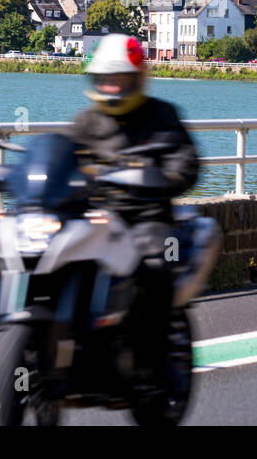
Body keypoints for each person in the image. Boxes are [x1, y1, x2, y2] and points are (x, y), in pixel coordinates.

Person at [65, 33, 199, 382]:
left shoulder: (162, 116)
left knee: (154, 265)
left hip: (146, 216)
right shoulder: (86, 122)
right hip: (94, 217)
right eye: (104, 78)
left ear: (136, 78)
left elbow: (186, 163)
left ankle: (152, 363)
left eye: (118, 78)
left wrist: (163, 178)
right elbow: (60, 159)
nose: (110, 86)